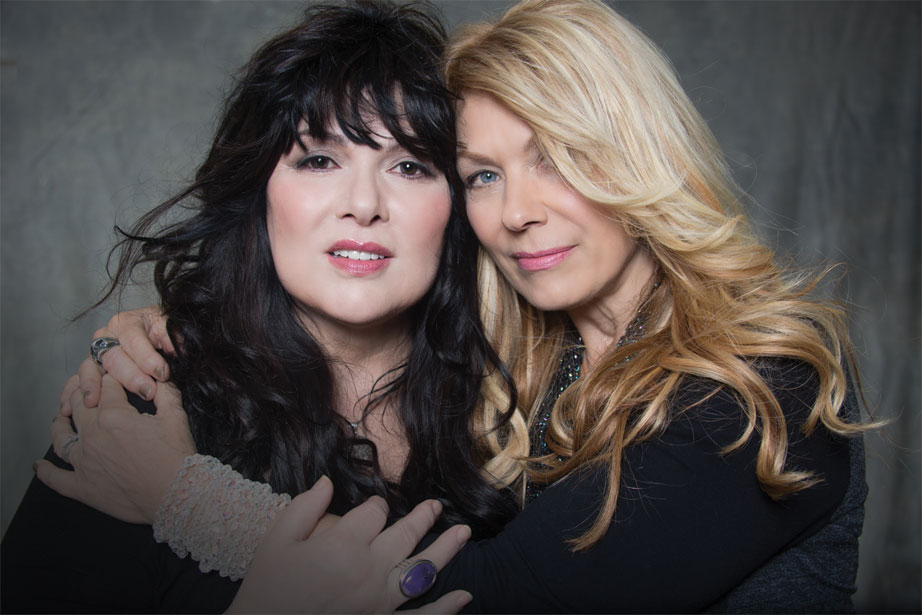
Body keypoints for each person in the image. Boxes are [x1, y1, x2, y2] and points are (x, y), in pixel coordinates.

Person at [37, 0, 872, 612]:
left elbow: (498, 597)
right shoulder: (518, 377)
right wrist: (164, 332)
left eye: (559, 157)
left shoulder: (763, 378)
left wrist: (185, 497)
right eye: (484, 174)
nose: (517, 211)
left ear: (643, 157)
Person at [0, 1, 519, 612]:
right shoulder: (144, 405)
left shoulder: (527, 403)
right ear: (259, 192)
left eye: (409, 166)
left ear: (458, 203)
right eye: (318, 160)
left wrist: (194, 504)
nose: (363, 204)